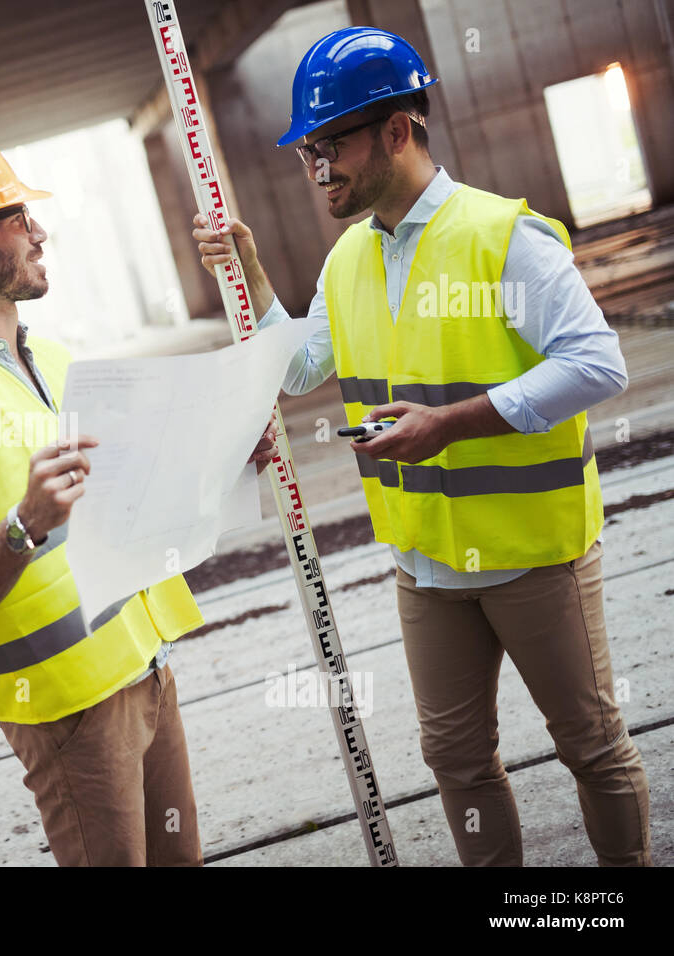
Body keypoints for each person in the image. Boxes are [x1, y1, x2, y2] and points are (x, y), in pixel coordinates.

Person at [194, 27, 650, 866]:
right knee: (456, 762)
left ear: (397, 131)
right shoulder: (346, 264)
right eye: (306, 153)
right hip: (426, 568)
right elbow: (298, 368)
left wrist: (449, 425)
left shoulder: (503, 237)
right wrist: (254, 277)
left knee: (589, 746)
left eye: (328, 145)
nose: (316, 168)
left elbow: (597, 364)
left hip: (532, 559)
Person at [0, 130, 277, 866]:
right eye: (19, 218)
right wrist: (24, 527)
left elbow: (122, 500)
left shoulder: (53, 360)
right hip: (67, 706)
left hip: (143, 667)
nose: (39, 231)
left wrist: (225, 458)